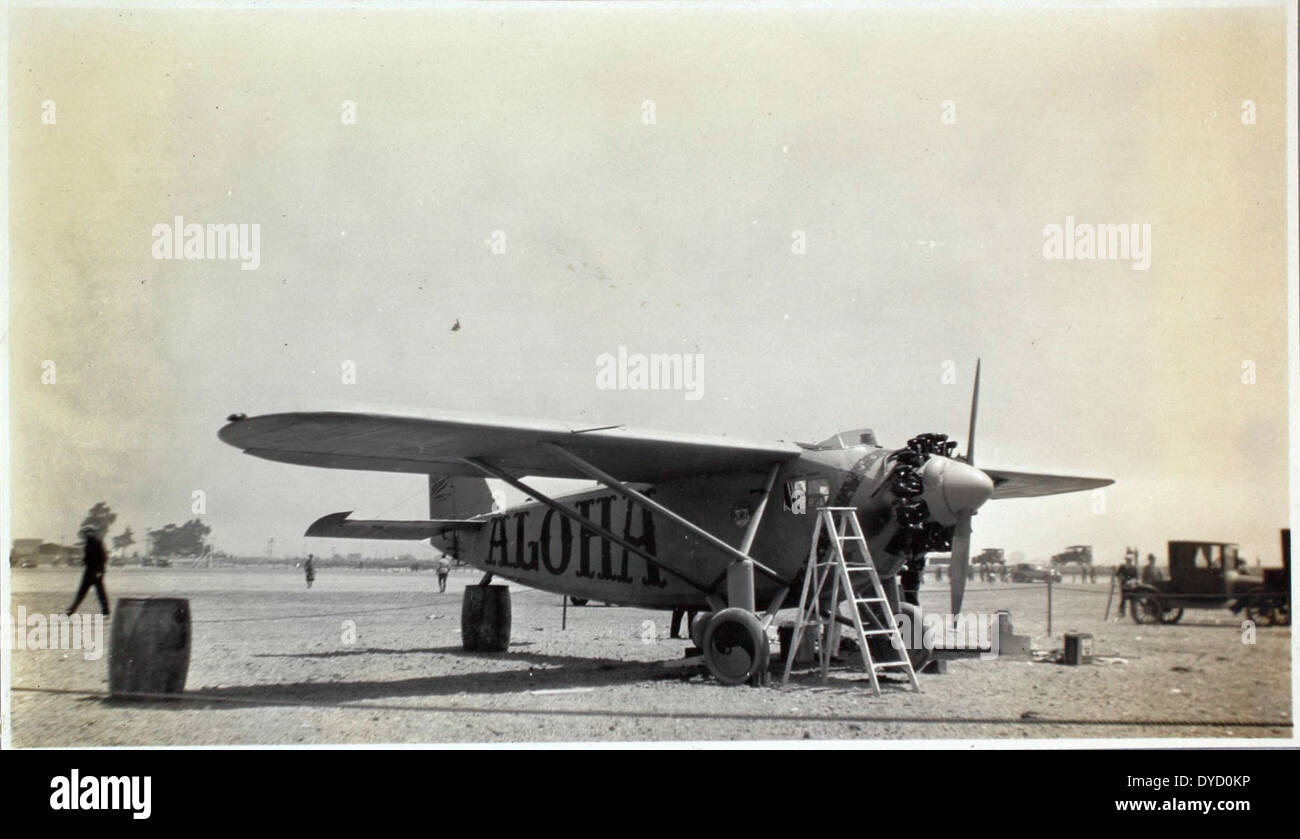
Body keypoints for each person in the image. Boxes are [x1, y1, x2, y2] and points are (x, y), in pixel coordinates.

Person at [67, 525, 110, 616]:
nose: (86, 534)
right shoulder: (89, 542)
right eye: (86, 532)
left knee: (95, 593)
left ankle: (70, 611)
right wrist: (82, 561)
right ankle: (71, 611)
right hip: (89, 571)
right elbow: (89, 557)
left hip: (95, 572)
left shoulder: (97, 542)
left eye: (88, 532)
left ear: (91, 532)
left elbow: (103, 558)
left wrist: (100, 571)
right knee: (93, 592)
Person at [1115, 552, 1139, 617]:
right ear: (1125, 560)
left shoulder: (1134, 567)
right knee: (1123, 599)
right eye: (1127, 559)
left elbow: (1136, 577)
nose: (1129, 561)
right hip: (1124, 585)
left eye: (1130, 560)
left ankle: (1134, 613)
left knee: (1132, 600)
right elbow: (1118, 574)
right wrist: (1122, 579)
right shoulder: (1122, 567)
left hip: (1132, 586)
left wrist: (1132, 581)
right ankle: (1122, 612)